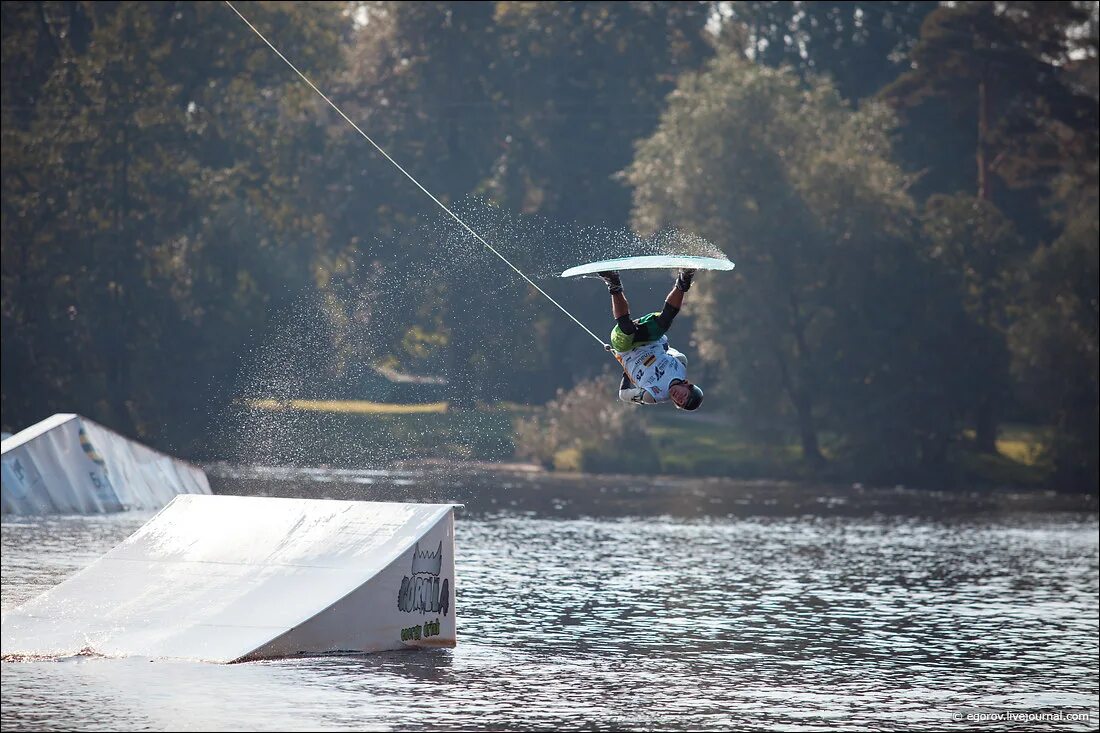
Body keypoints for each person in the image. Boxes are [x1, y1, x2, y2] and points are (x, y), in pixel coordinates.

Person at [598, 269, 704, 410]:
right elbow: (666, 348)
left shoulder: (653, 396)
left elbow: (623, 394)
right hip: (649, 338)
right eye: (684, 396)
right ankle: (684, 279)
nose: (678, 397)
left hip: (625, 348)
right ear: (687, 385)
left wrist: (626, 371)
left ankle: (613, 283)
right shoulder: (680, 363)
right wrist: (658, 338)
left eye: (679, 402)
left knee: (628, 329)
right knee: (664, 322)